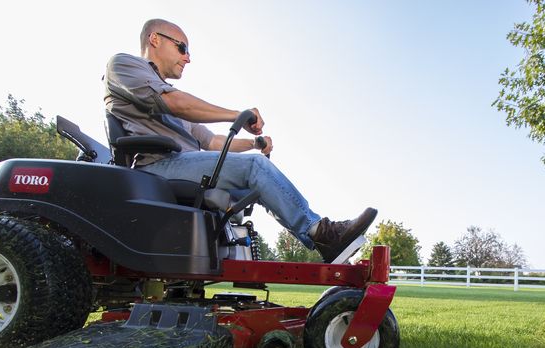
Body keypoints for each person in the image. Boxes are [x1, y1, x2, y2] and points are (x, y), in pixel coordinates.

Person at [104, 18, 376, 263]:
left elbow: (211, 142)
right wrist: (237, 115)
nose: (187, 58)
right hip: (157, 167)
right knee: (254, 168)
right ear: (155, 39)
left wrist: (254, 144)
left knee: (257, 179)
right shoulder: (125, 65)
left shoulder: (173, 97)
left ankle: (265, 249)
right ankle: (323, 234)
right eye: (182, 48)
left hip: (181, 165)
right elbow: (176, 104)